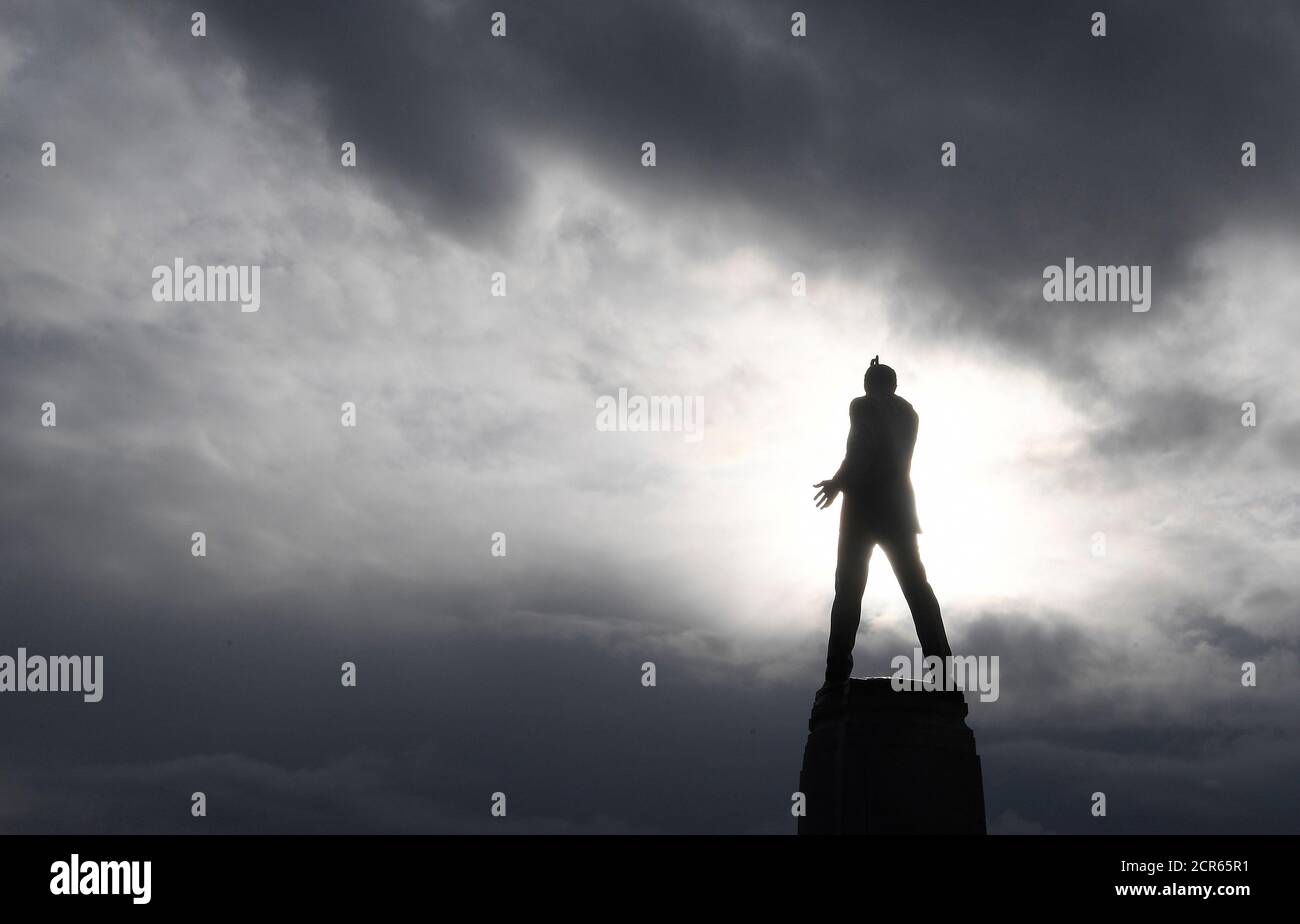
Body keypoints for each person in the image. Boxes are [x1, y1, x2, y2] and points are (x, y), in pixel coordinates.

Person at [813, 357, 952, 686]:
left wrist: (838, 482)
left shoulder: (862, 405)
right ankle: (943, 675)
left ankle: (836, 678)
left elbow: (863, 446)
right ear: (894, 385)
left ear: (869, 383)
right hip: (899, 510)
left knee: (848, 592)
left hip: (863, 509)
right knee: (918, 590)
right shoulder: (909, 412)